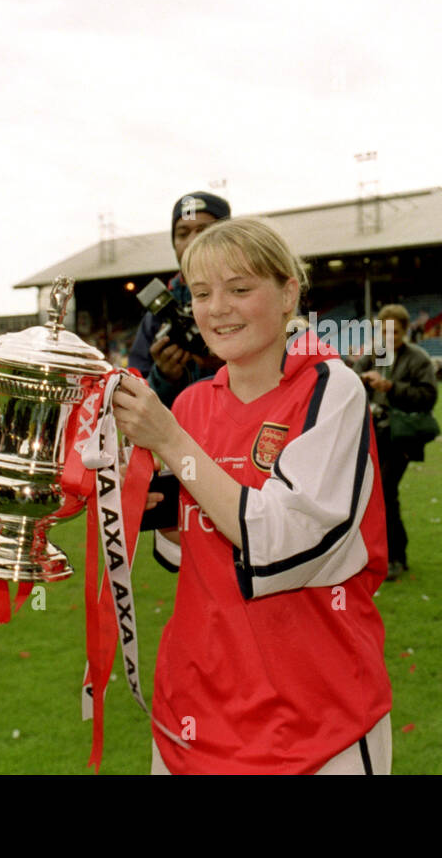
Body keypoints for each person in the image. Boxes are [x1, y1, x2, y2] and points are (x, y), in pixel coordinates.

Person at [111, 217, 392, 774]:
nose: (218, 308)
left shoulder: (331, 389)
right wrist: (150, 507)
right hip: (194, 708)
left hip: (316, 718)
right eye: (201, 293)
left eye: (240, 289)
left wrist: (169, 440)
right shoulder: (190, 404)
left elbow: (286, 537)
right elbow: (189, 547)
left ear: (289, 293)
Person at [353, 304, 438, 580]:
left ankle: (396, 557)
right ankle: (381, 554)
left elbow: (428, 397)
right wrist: (363, 379)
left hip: (402, 435)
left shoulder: (418, 358)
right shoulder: (375, 354)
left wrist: (390, 388)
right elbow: (351, 379)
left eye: (396, 332)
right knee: (374, 494)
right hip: (374, 432)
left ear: (406, 330)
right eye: (384, 331)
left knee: (386, 492)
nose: (390, 337)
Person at [127, 191, 229, 407]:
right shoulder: (159, 312)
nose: (193, 241)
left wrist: (231, 361)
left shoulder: (254, 294)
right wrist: (164, 376)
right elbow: (133, 398)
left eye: (204, 230)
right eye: (183, 233)